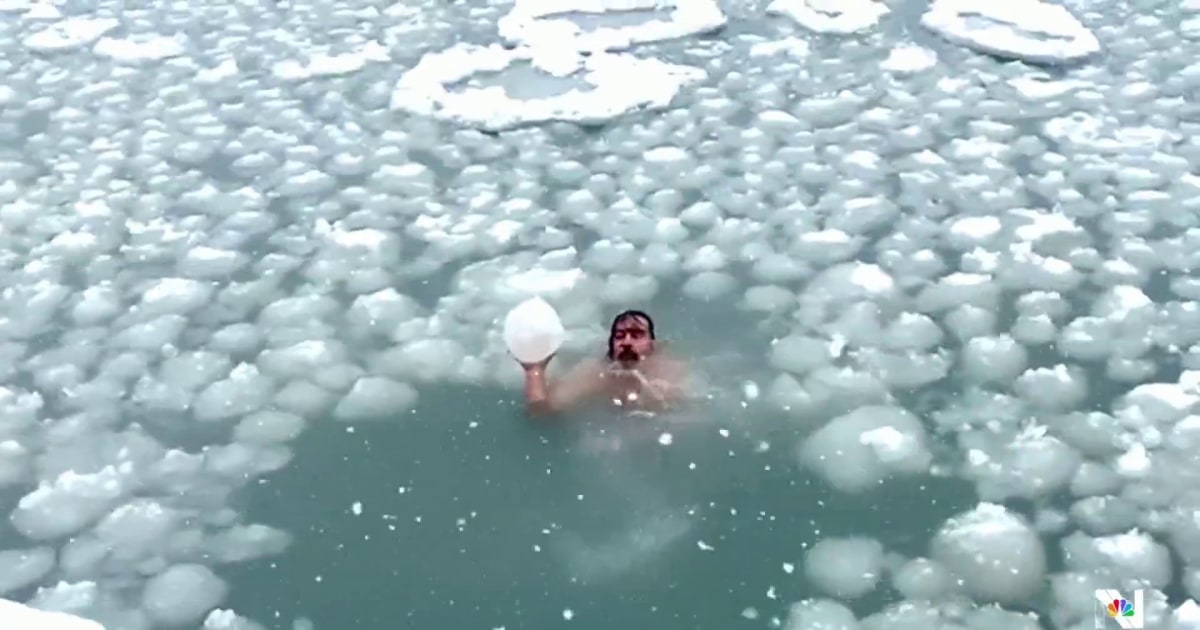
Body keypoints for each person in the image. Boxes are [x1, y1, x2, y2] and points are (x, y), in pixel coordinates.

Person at [518, 310, 688, 416]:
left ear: (652, 344)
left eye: (636, 335)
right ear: (611, 345)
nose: (626, 342)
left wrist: (642, 384)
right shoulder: (594, 372)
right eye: (619, 336)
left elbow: (676, 412)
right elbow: (541, 413)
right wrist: (534, 371)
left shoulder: (670, 369)